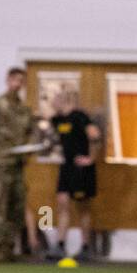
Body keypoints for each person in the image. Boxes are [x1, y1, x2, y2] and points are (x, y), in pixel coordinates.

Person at [0, 67, 38, 262]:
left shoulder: (25, 109)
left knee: (16, 207)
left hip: (17, 165)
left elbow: (31, 133)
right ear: (8, 80)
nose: (18, 84)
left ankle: (8, 246)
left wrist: (30, 149)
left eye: (21, 80)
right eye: (15, 79)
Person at [49, 90, 102, 261]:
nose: (52, 102)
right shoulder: (58, 120)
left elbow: (95, 135)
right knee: (62, 203)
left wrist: (91, 159)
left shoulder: (80, 116)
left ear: (64, 100)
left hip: (81, 168)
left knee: (82, 208)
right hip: (67, 166)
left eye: (55, 99)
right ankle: (60, 245)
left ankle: (86, 246)